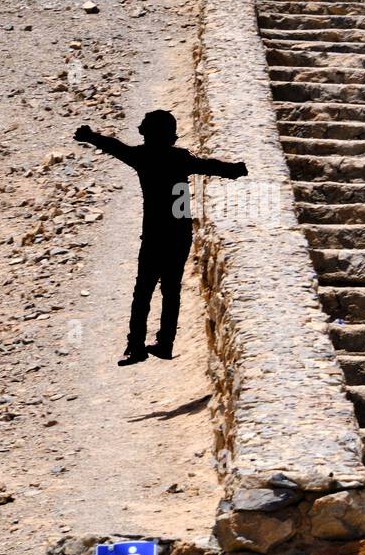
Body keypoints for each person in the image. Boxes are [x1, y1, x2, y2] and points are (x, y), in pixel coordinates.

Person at [74, 110, 247, 366]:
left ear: (148, 133)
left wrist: (91, 137)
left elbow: (114, 146)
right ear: (171, 136)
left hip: (154, 237)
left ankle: (136, 347)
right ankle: (165, 343)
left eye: (143, 128)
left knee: (142, 293)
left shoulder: (141, 157)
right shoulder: (179, 158)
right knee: (170, 290)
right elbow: (209, 165)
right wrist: (235, 170)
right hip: (179, 235)